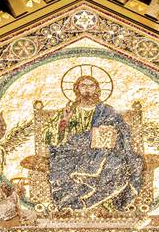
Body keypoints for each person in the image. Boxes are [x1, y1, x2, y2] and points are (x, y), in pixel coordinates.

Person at [45, 74, 144, 212]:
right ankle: (71, 201)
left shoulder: (107, 110)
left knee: (118, 163)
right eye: (83, 86)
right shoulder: (68, 110)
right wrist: (64, 122)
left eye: (91, 86)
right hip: (74, 150)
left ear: (97, 89)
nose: (87, 90)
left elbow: (123, 131)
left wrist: (112, 131)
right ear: (76, 89)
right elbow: (52, 138)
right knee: (61, 162)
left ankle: (94, 200)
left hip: (104, 150)